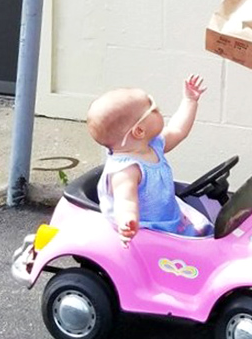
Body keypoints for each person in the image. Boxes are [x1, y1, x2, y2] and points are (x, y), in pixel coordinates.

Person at [86, 74, 212, 245]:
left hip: (169, 216)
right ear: (139, 131)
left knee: (207, 231)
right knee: (202, 249)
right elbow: (125, 200)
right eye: (154, 109)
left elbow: (177, 129)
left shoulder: (153, 145)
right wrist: (127, 221)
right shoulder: (126, 170)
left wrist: (189, 101)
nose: (159, 111)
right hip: (147, 230)